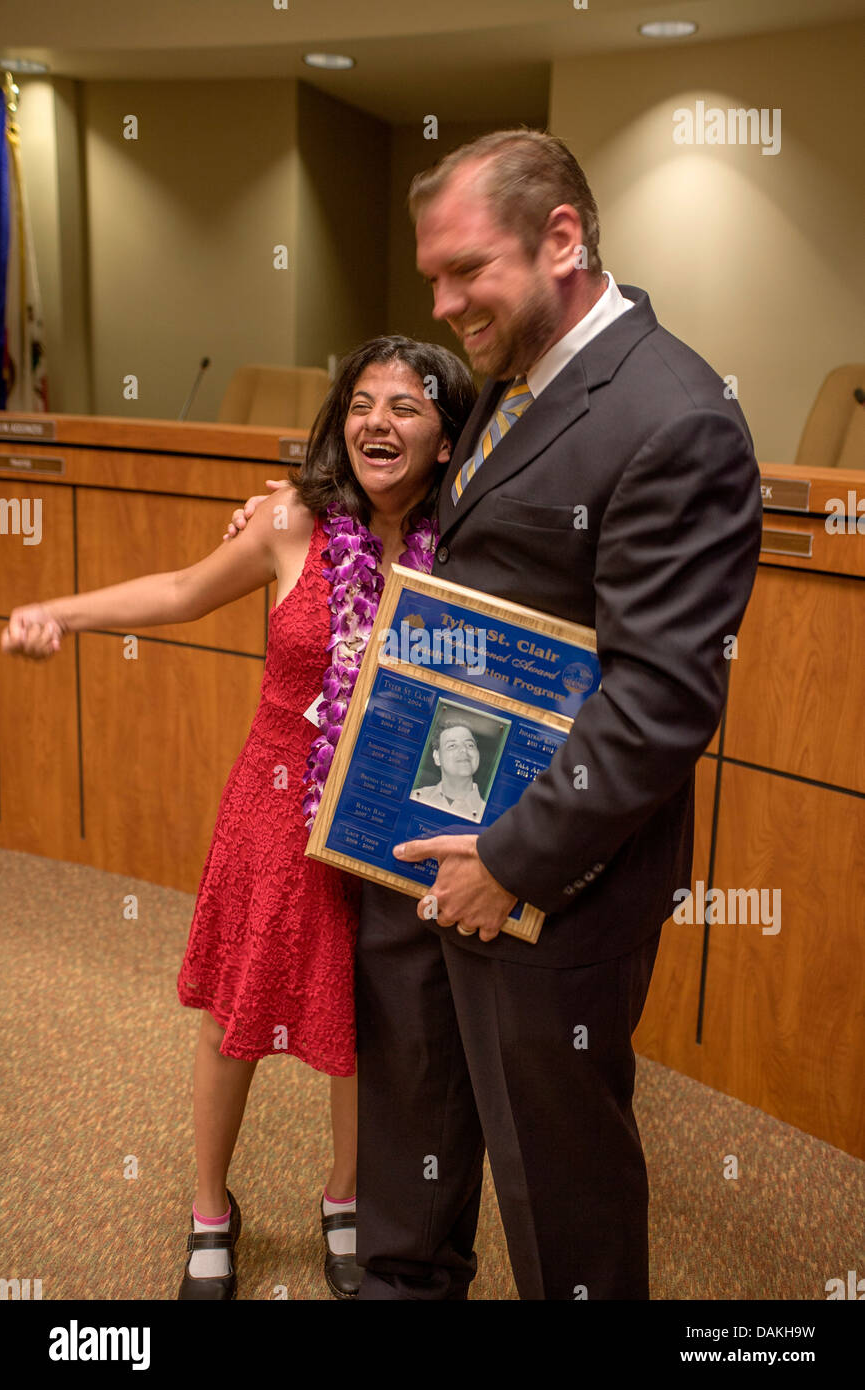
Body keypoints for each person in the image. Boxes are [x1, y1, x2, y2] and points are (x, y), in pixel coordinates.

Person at [351, 130, 764, 1300]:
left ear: (563, 239)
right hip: (424, 836)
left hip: (551, 883)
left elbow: (661, 697)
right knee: (412, 1145)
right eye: (431, 277)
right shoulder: (504, 387)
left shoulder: (673, 415)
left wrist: (510, 861)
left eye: (464, 271)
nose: (440, 303)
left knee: (556, 1187)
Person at [0, 335, 476, 1301]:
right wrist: (63, 610)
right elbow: (179, 591)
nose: (377, 424)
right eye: (361, 404)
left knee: (370, 1022)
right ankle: (209, 1207)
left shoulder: (467, 544)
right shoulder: (290, 520)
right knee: (235, 1013)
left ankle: (350, 1199)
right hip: (271, 806)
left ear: (446, 436)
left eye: (405, 408)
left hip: (387, 816)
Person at [410, 721, 486, 821]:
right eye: (452, 745)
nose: (464, 749)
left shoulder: (486, 814)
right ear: (437, 757)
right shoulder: (415, 796)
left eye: (470, 745)